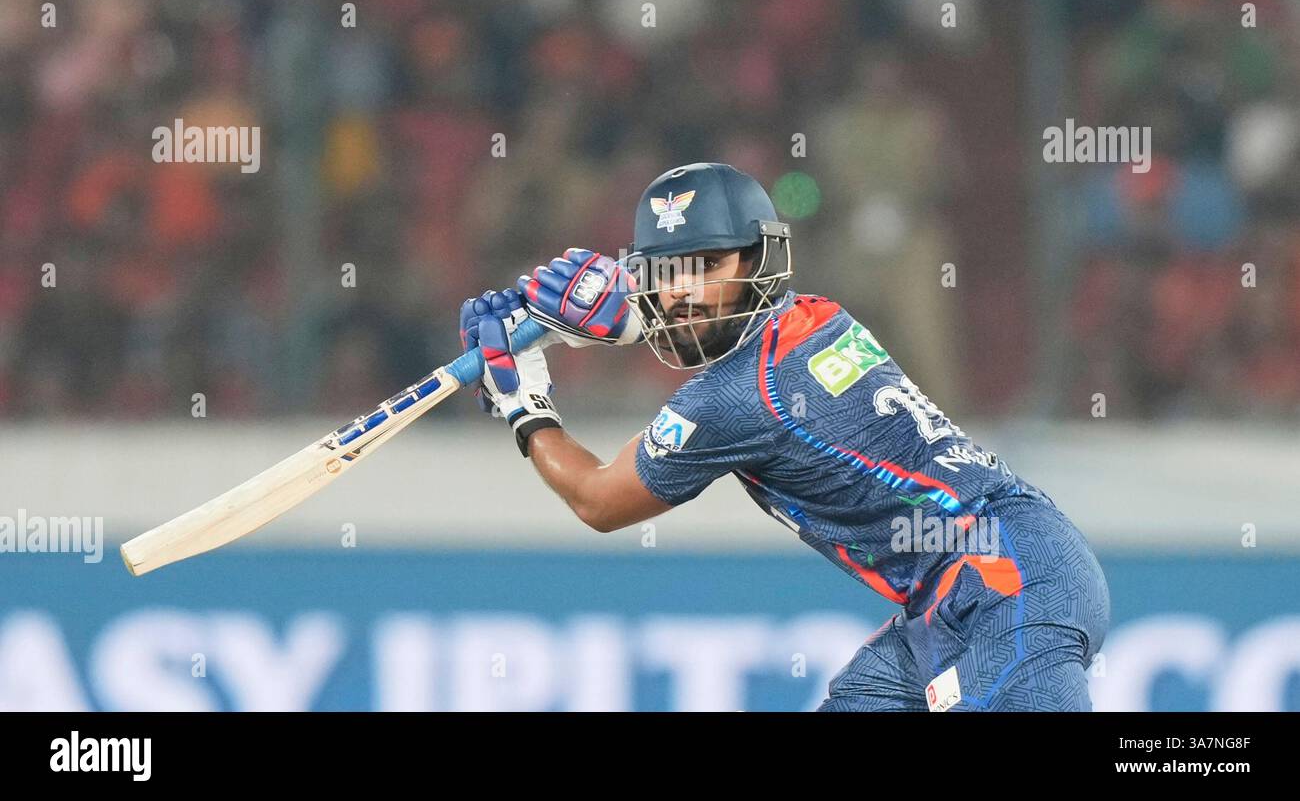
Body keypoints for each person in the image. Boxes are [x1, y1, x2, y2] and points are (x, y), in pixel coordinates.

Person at [459, 161, 1109, 711]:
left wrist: (525, 403)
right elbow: (711, 322)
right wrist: (621, 315)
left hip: (1006, 582)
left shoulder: (737, 399)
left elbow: (599, 501)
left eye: (707, 264)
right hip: (966, 588)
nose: (683, 290)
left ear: (755, 260)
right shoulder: (816, 316)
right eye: (667, 270)